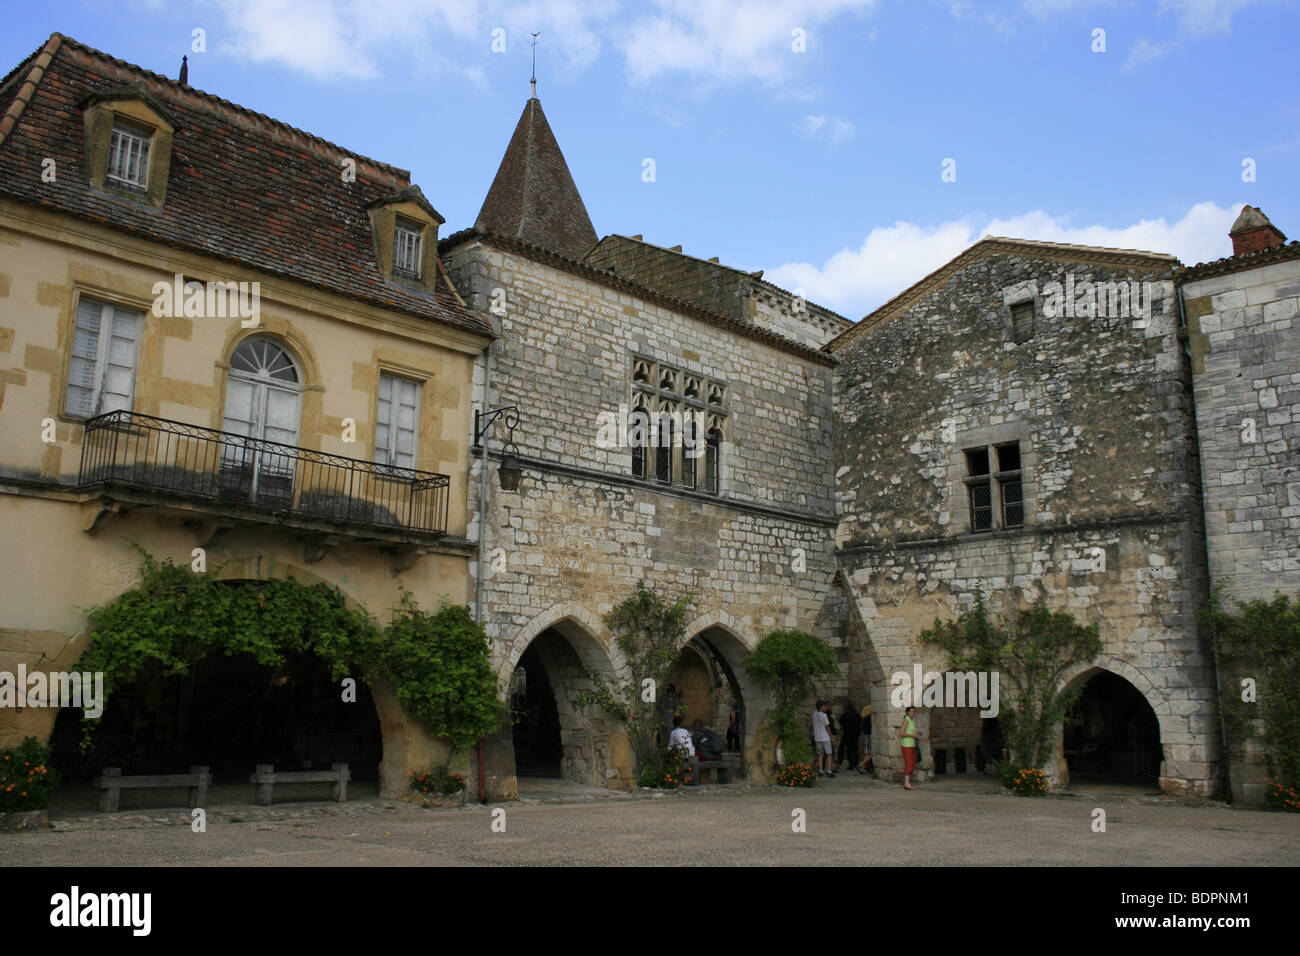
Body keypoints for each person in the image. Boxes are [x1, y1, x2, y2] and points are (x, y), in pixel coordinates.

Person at [900, 706, 922, 790]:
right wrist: (913, 735)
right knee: (909, 763)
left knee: (912, 763)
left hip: (912, 744)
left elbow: (910, 731)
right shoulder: (907, 720)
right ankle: (906, 783)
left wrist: (917, 733)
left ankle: (907, 782)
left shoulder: (911, 720)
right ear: (907, 712)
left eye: (914, 712)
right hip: (906, 745)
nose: (913, 713)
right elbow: (901, 733)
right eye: (911, 711)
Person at [837, 700, 861, 772]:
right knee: (855, 748)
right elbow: (859, 723)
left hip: (847, 733)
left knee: (847, 748)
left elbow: (841, 721)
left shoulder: (845, 715)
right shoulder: (856, 714)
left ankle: (847, 763)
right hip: (855, 734)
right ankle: (856, 763)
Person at [812, 699, 834, 777]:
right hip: (825, 738)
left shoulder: (814, 714)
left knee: (820, 754)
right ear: (821, 707)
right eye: (824, 706)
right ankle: (829, 770)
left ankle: (820, 770)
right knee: (829, 754)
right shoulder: (823, 715)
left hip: (818, 738)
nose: (826, 708)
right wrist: (831, 737)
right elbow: (827, 727)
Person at [857, 703, 874, 773]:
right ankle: (861, 765)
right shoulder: (871, 718)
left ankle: (864, 767)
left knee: (868, 752)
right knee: (872, 753)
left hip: (867, 735)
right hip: (870, 735)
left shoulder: (866, 718)